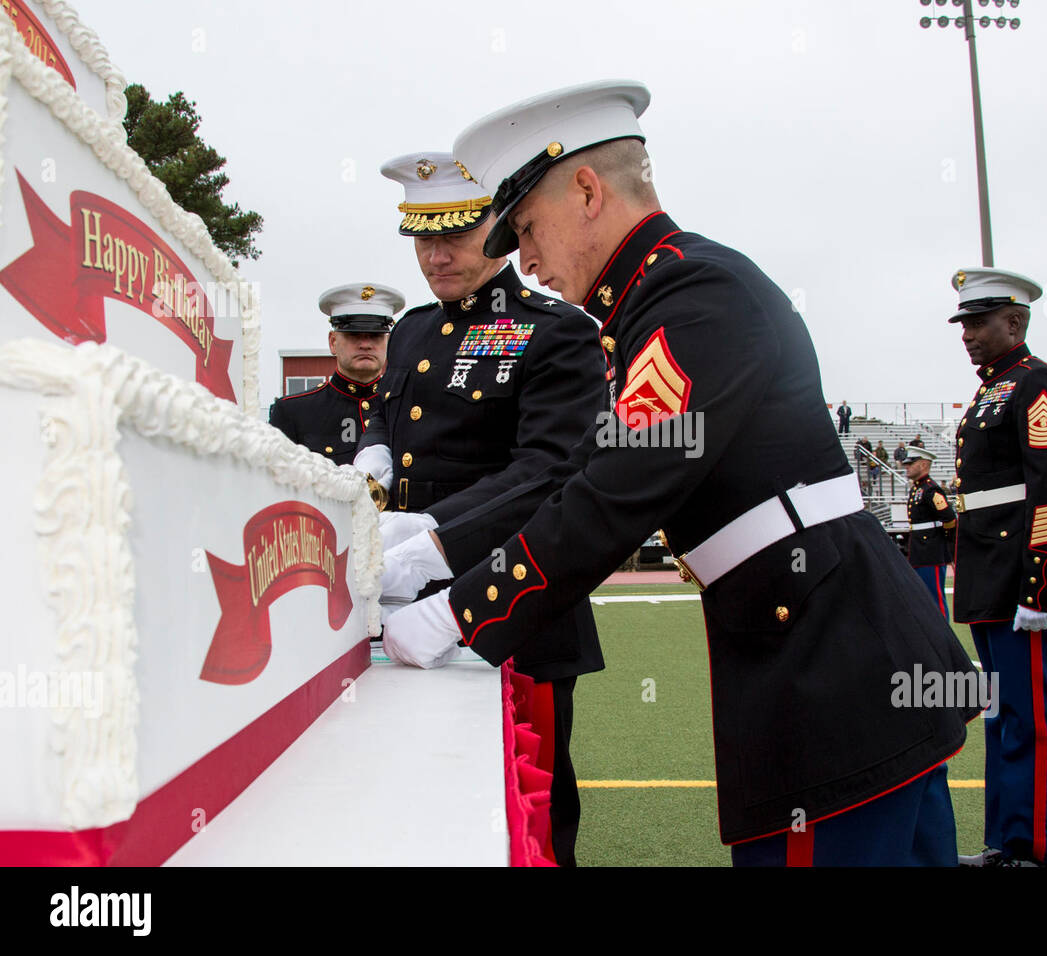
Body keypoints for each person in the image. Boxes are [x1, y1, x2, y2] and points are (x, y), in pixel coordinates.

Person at [380, 81, 979, 866]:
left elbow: (616, 492)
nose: (524, 258)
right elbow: (588, 475)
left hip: (829, 672)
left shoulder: (691, 293)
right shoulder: (651, 303)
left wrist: (458, 611)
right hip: (819, 647)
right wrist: (433, 553)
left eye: (526, 227)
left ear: (587, 191)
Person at [353, 151, 607, 867]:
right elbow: (388, 416)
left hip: (516, 604)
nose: (435, 255)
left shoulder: (556, 330)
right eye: (421, 238)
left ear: (498, 227)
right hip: (404, 601)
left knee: (529, 806)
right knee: (420, 796)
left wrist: (435, 532)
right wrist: (373, 450)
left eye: (455, 235)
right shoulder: (408, 331)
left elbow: (550, 469)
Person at [947, 267, 1047, 867]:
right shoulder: (994, 389)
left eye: (979, 322)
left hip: (1021, 574)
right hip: (990, 566)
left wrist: (1038, 586)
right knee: (1004, 714)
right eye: (964, 323)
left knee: (1030, 717)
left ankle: (1031, 850)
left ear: (1016, 320)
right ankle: (1004, 844)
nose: (967, 334)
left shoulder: (1038, 385)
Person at [268, 283, 400, 465]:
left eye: (375, 335)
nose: (366, 344)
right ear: (332, 342)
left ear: (388, 342)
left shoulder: (402, 407)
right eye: (354, 335)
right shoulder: (293, 412)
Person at [903, 446, 956, 619]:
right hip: (920, 550)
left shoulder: (931, 490)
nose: (907, 466)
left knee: (935, 601)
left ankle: (944, 642)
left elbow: (949, 518)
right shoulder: (917, 489)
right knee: (922, 600)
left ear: (924, 464)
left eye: (912, 463)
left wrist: (946, 543)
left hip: (931, 551)